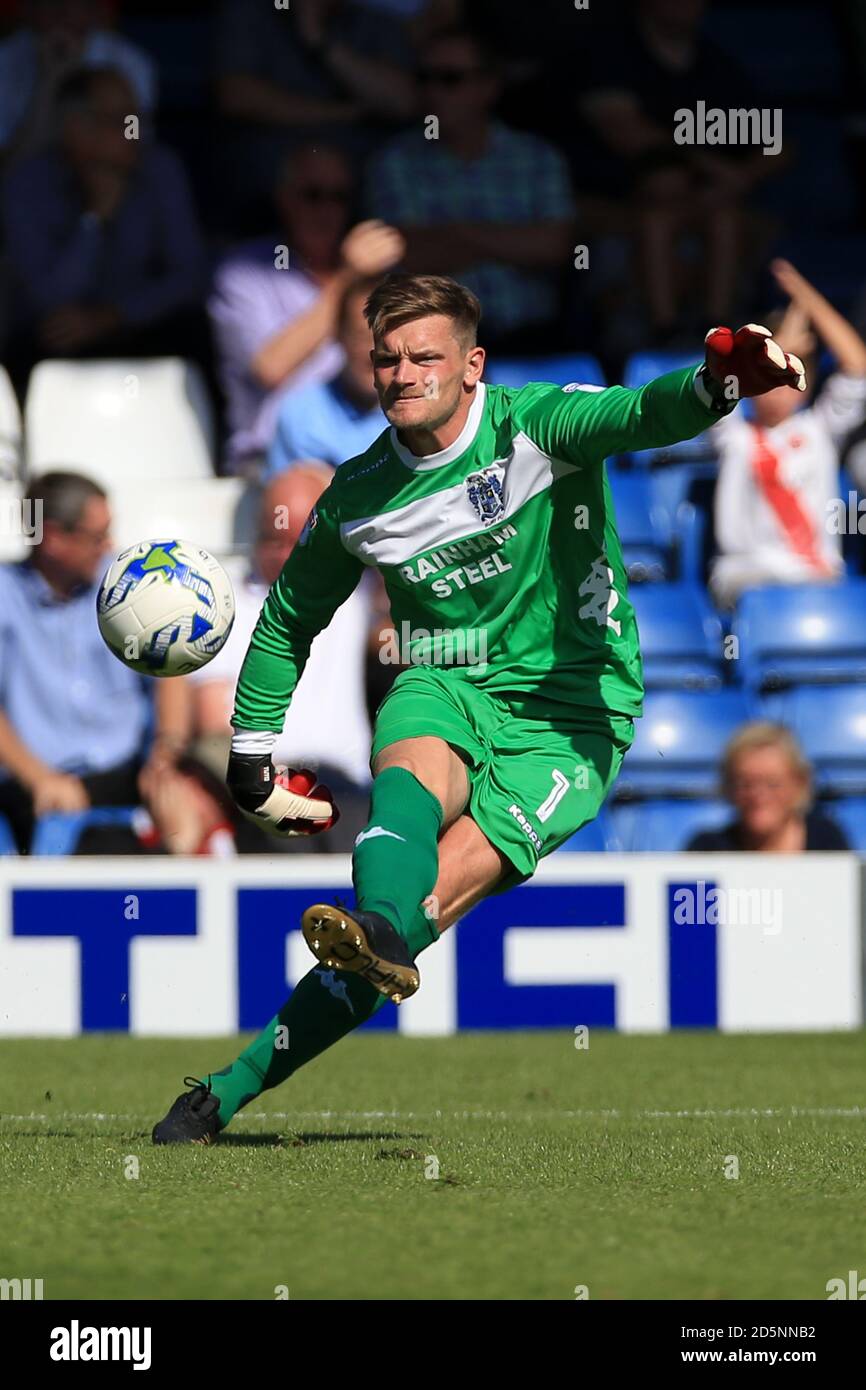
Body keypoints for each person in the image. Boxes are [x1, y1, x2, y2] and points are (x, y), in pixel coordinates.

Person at [151, 272, 805, 1143]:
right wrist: (249, 752)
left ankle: (236, 1080)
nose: (403, 374)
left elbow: (643, 414)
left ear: (472, 365)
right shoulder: (358, 496)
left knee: (402, 934)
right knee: (404, 791)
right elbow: (287, 621)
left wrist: (714, 385)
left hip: (573, 714)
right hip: (446, 676)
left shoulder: (539, 425)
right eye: (387, 359)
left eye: (424, 357)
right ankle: (361, 936)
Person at [183, 465, 374, 854]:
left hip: (351, 790)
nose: (286, 556)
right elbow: (213, 721)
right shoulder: (224, 607)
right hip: (268, 787)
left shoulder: (358, 590)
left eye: (298, 540)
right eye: (273, 541)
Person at [577, 0, 782, 343]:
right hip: (623, 231)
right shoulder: (608, 57)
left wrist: (740, 177)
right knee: (653, 224)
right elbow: (624, 131)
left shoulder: (718, 65)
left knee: (728, 223)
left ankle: (718, 332)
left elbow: (780, 144)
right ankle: (663, 335)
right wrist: (710, 166)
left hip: (710, 217)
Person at [0, 471, 178, 854]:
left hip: (128, 781)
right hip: (31, 793)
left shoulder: (128, 583)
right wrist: (40, 779)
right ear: (53, 538)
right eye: (98, 536)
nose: (109, 545)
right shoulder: (5, 594)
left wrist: (166, 754)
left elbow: (171, 670)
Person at [364, 28, 576, 350]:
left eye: (450, 78)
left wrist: (458, 234)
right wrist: (513, 241)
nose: (434, 91)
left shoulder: (537, 156)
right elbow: (406, 255)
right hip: (438, 346)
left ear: (489, 87)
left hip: (536, 341)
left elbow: (556, 246)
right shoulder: (394, 161)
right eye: (425, 78)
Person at [208, 143, 404, 473]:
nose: (326, 209)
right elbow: (270, 368)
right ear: (284, 198)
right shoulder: (243, 273)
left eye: (338, 197)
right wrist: (348, 276)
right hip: (275, 462)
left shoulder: (380, 276)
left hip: (376, 452)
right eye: (313, 195)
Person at [2, 65, 205, 371]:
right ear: (75, 128)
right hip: (58, 339)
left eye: (138, 119)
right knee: (46, 337)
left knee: (193, 331)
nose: (136, 132)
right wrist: (94, 220)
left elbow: (190, 277)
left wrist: (112, 317)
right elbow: (47, 299)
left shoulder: (161, 169)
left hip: (142, 329)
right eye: (123, 121)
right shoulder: (26, 184)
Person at [710, 260, 866, 610]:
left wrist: (808, 299)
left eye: (788, 377)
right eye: (769, 375)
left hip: (816, 580)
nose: (776, 389)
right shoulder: (732, 432)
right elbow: (715, 382)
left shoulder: (820, 429)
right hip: (745, 579)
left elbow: (858, 367)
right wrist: (777, 346)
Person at [0, 0, 157, 162]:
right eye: (52, 4)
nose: (63, 14)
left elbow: (135, 138)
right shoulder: (5, 59)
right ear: (30, 8)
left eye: (75, 4)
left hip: (108, 165)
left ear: (93, 10)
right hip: (35, 169)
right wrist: (50, 80)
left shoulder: (131, 62)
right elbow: (10, 164)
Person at [264, 278, 385, 476]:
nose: (373, 352)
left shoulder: (428, 409)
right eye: (361, 337)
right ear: (338, 335)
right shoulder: (301, 414)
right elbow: (287, 493)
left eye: (384, 339)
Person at [687, 722, 848, 852]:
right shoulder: (707, 850)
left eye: (772, 783)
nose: (758, 794)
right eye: (745, 784)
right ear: (728, 785)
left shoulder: (827, 842)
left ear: (799, 783)